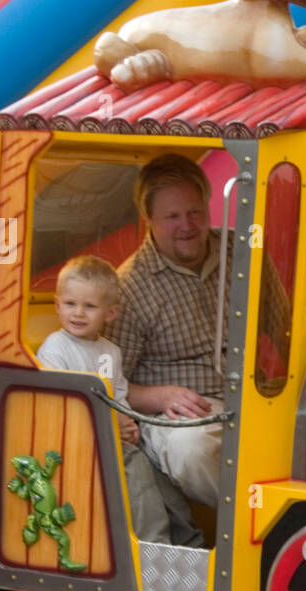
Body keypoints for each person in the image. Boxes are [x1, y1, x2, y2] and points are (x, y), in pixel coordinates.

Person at [36, 255, 199, 546]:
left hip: (111, 439)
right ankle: (152, 546)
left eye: (90, 306)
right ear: (58, 305)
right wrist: (113, 427)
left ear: (111, 313)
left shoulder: (109, 352)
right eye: (71, 304)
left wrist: (128, 422)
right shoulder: (55, 349)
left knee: (160, 474)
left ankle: (188, 543)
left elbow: (118, 395)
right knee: (136, 474)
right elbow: (62, 408)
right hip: (78, 445)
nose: (79, 313)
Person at [109, 154, 229, 507]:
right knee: (192, 448)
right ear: (148, 221)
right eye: (172, 217)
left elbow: (280, 332)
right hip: (179, 418)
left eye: (194, 212)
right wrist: (162, 397)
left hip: (252, 399)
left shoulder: (244, 254)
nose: (187, 225)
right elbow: (107, 386)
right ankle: (255, 536)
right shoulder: (128, 287)